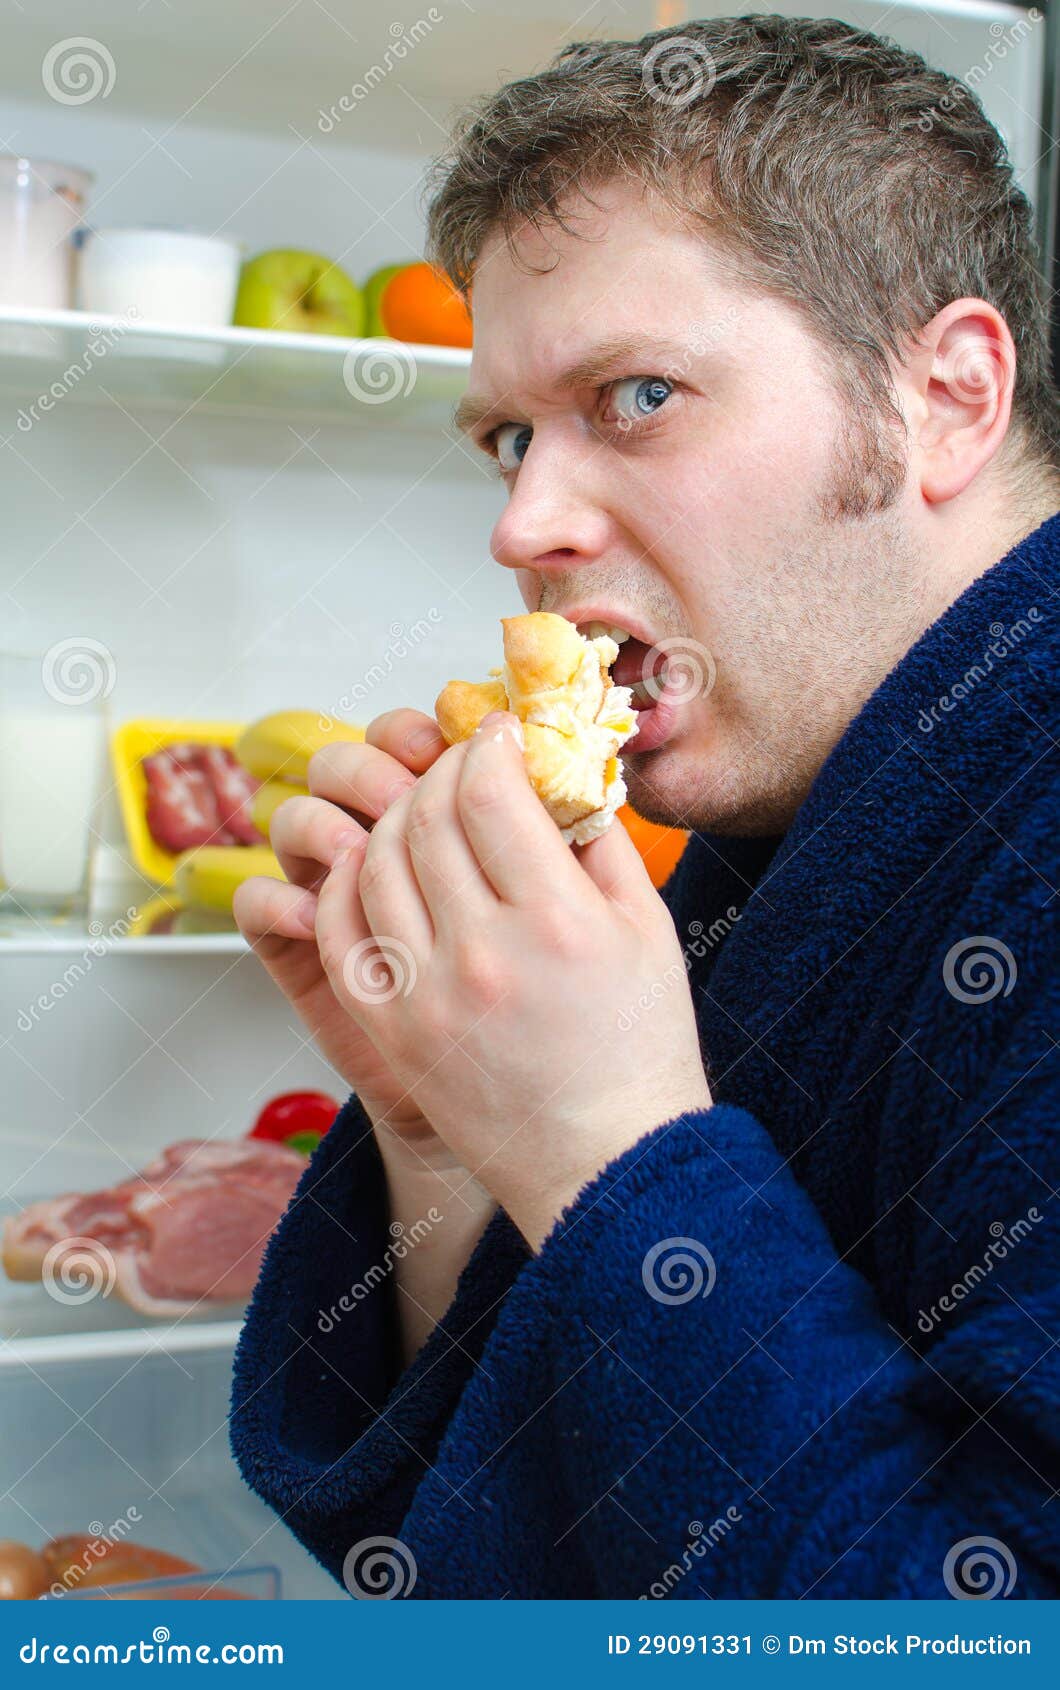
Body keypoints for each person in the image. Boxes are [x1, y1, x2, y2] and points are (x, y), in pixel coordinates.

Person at [230, 16, 1060, 1599]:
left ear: (949, 395)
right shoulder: (783, 824)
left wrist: (610, 1143)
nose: (525, 520)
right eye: (508, 440)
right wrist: (449, 1135)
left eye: (640, 395)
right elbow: (444, 1557)